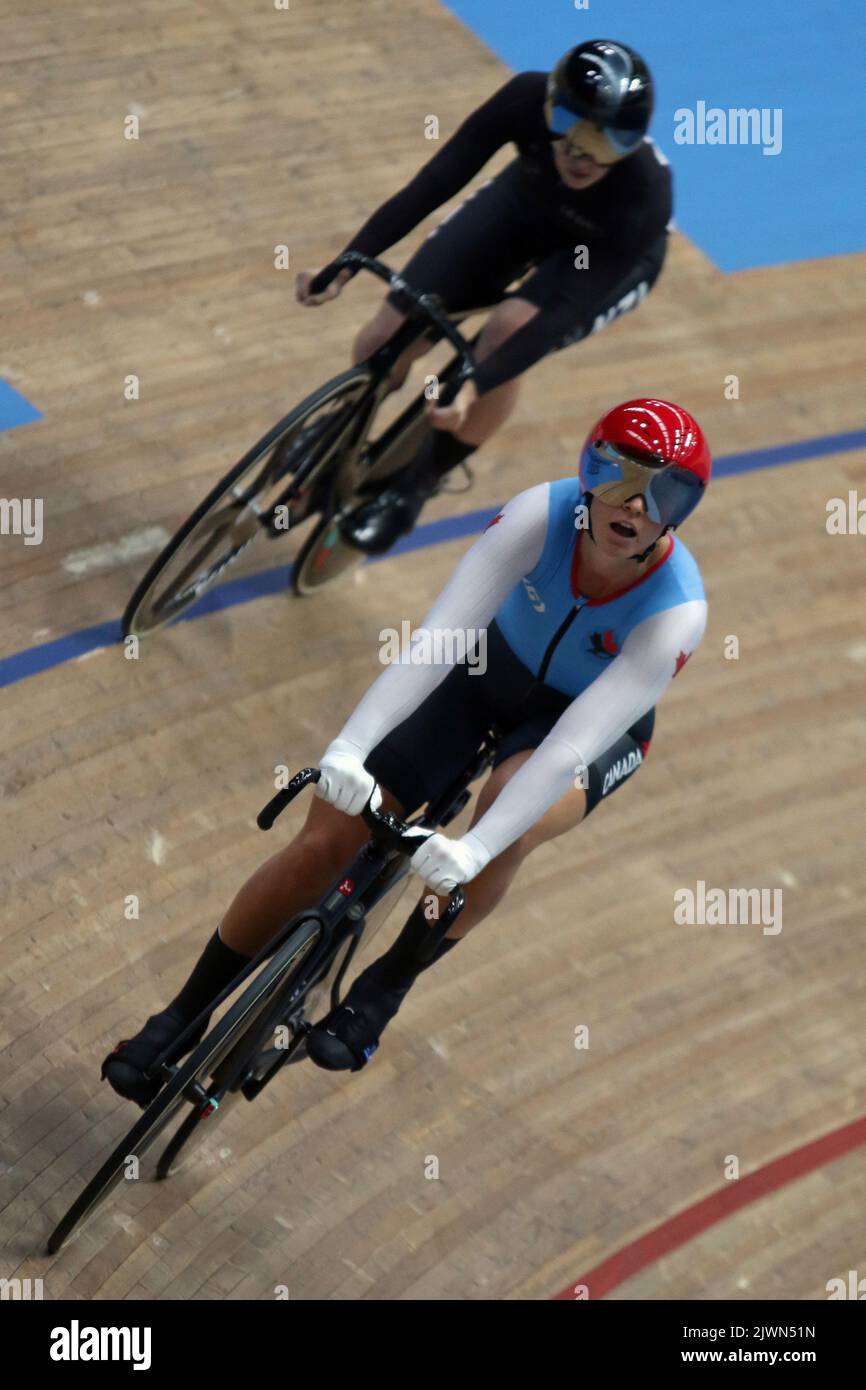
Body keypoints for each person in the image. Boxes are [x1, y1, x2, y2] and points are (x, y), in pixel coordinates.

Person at [102, 398, 711, 1098]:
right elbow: (439, 642)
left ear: (681, 510)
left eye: (662, 492)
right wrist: (348, 750)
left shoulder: (677, 612)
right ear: (585, 471)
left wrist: (475, 850)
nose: (632, 504)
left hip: (580, 729)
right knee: (323, 844)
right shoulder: (538, 518)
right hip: (484, 673)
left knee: (510, 813)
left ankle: (384, 988)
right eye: (616, 475)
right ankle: (178, 1016)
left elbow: (573, 746)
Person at [294, 39, 672, 556]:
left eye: (608, 143)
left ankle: (413, 489)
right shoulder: (523, 98)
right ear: (547, 108)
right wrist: (347, 263)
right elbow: (432, 184)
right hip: (531, 202)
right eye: (570, 126)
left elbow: (563, 311)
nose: (583, 154)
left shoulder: (646, 194)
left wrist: (477, 382)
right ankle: (336, 434)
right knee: (383, 337)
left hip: (604, 253)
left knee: (507, 332)